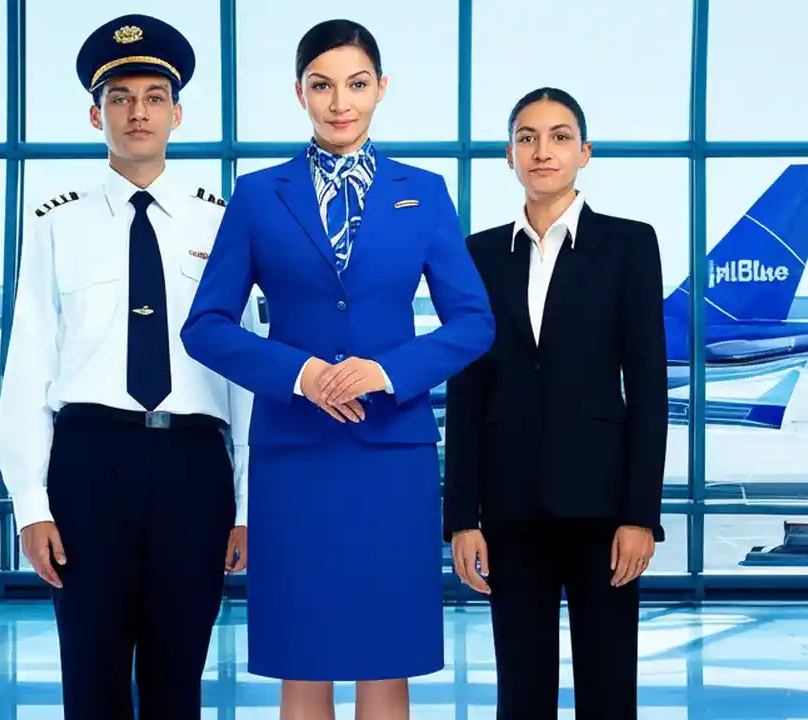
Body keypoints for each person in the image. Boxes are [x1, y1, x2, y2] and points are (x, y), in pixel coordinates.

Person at [181, 19, 494, 720]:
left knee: (388, 657)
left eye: (356, 85)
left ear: (381, 89)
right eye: (322, 86)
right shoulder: (260, 196)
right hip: (297, 456)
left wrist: (383, 372)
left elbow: (475, 322)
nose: (339, 102)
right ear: (300, 93)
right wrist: (303, 375)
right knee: (304, 656)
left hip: (392, 454)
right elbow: (205, 327)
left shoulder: (426, 192)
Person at [0, 14, 256, 719]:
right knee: (92, 676)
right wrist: (31, 505)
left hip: (194, 469)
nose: (136, 111)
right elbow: (28, 365)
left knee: (179, 681)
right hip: (88, 465)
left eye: (152, 96)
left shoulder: (222, 222)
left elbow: (243, 378)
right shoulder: (56, 222)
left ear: (177, 111)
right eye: (120, 97)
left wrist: (247, 502)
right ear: (95, 112)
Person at [442, 87, 668, 719]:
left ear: (585, 152)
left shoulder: (629, 245)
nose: (543, 150)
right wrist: (462, 517)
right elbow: (466, 389)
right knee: (521, 690)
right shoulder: (479, 253)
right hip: (510, 509)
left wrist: (640, 516)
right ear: (509, 154)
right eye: (527, 137)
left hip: (604, 511)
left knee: (608, 688)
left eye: (560, 136)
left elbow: (648, 387)